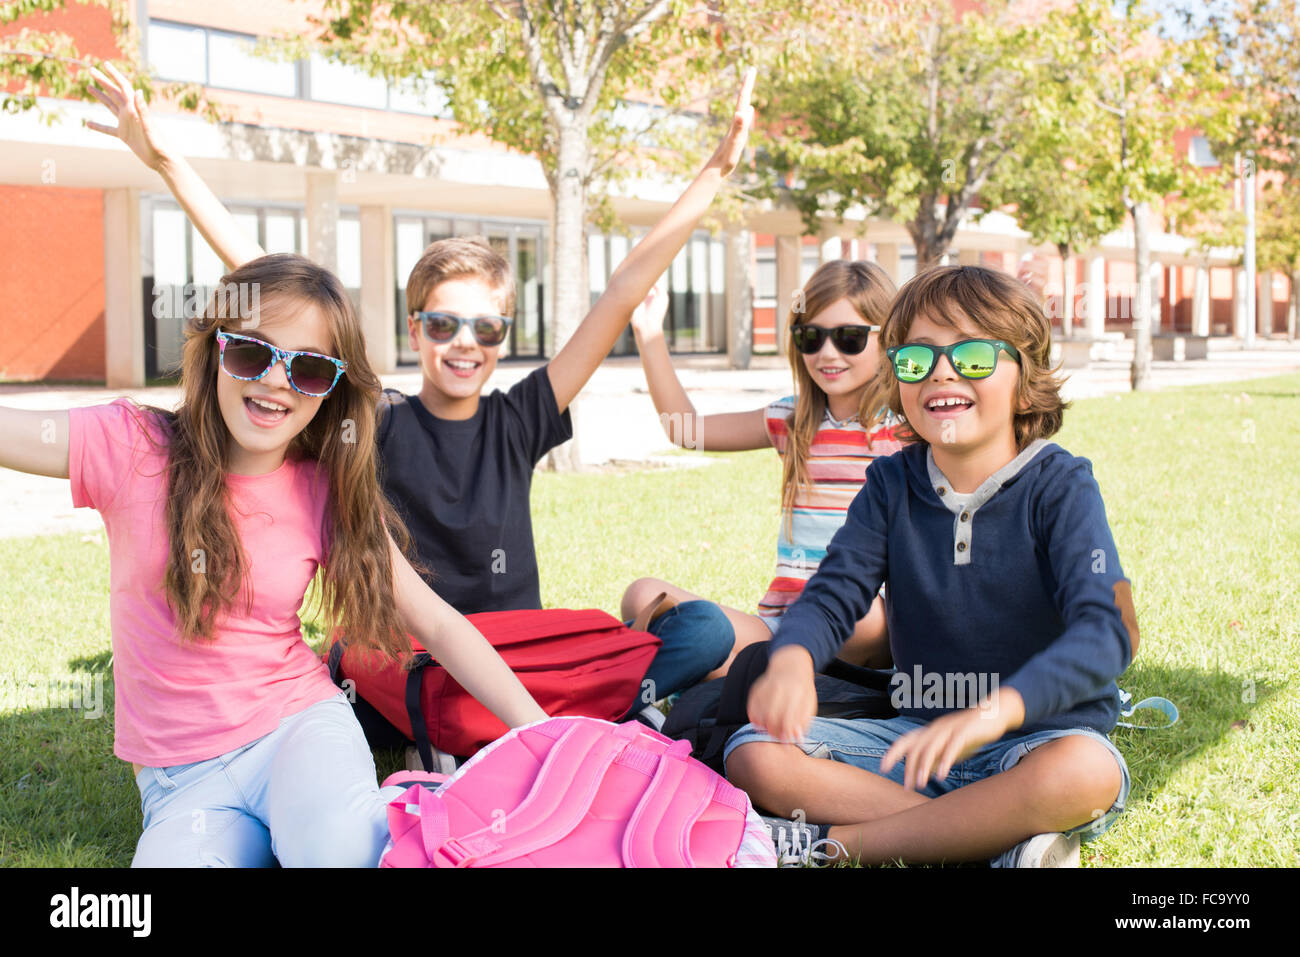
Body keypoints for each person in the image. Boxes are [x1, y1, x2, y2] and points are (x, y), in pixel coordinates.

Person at [85, 63, 758, 707]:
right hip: (410, 660)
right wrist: (167, 162)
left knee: (707, 630)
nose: (464, 341)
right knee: (342, 675)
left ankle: (515, 718)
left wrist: (714, 172)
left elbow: (619, 294)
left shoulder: (521, 416)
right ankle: (536, 717)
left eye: (486, 328)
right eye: (443, 323)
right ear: (415, 330)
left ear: (502, 338)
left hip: (510, 660)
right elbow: (260, 270)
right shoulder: (377, 415)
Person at [0, 254, 547, 866]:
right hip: (182, 782)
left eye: (309, 368)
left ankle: (389, 809)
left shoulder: (326, 491)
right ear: (215, 350)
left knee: (337, 855)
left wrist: (544, 734)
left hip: (298, 732)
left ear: (331, 386)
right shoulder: (130, 446)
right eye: (251, 354)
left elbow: (439, 623)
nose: (275, 382)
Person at [727, 265, 1140, 867]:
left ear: (1026, 382)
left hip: (1040, 740)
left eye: (972, 356)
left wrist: (993, 713)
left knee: (1086, 772)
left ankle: (836, 845)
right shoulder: (891, 484)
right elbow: (836, 592)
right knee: (753, 753)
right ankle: (993, 834)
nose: (942, 371)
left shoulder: (1060, 484)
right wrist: (791, 660)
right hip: (917, 740)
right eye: (917, 360)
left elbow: (1109, 632)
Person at [620, 259, 902, 680]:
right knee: (644, 597)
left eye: (849, 338)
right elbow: (686, 430)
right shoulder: (791, 421)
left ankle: (735, 674)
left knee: (863, 617)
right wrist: (649, 334)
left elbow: (1003, 419)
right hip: (779, 627)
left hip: (858, 627)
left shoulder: (906, 426)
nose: (827, 353)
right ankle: (753, 674)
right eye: (811, 337)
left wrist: (1040, 329)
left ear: (889, 341)